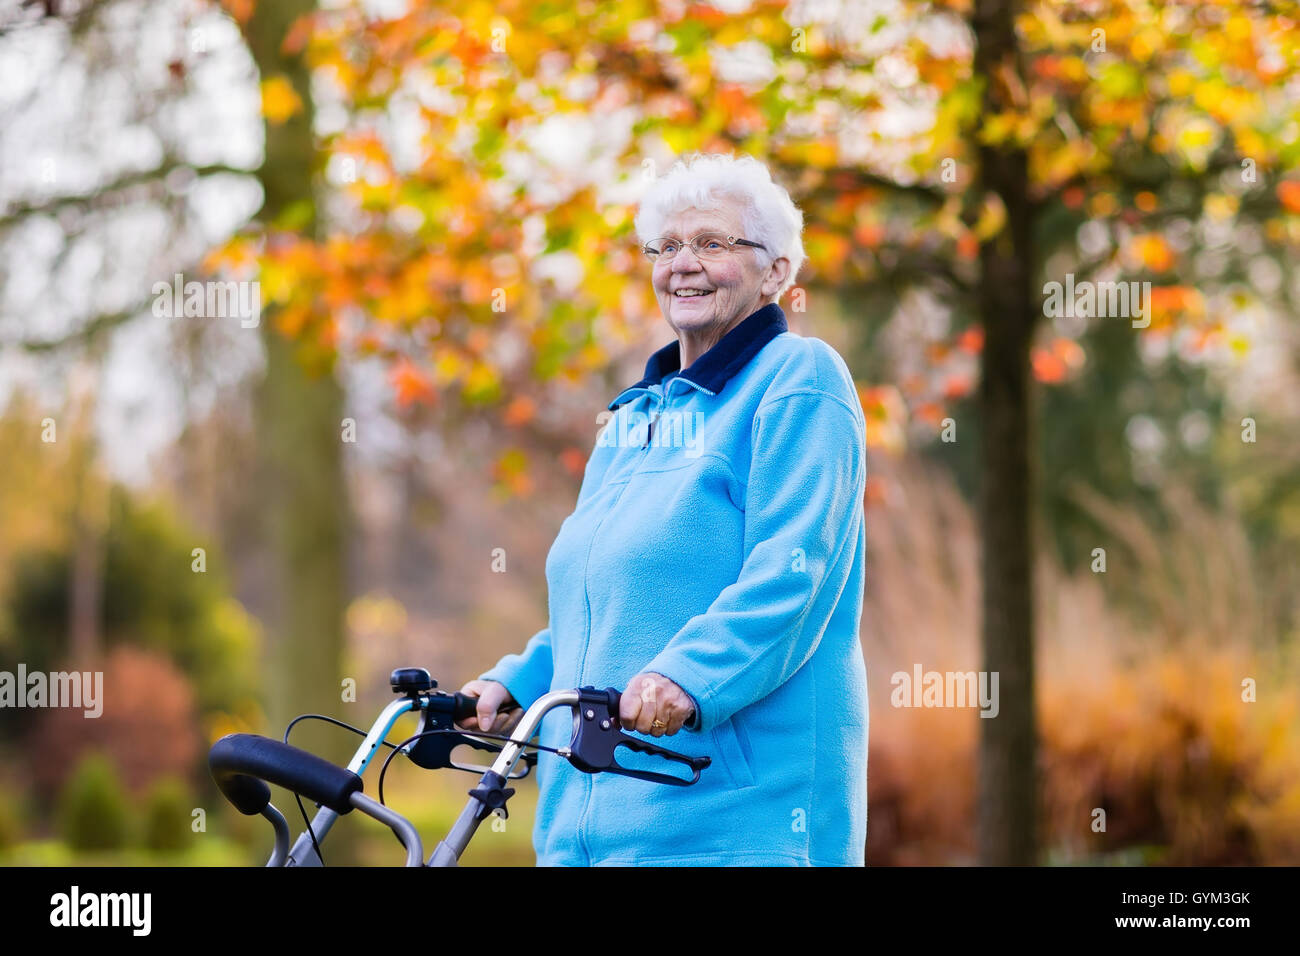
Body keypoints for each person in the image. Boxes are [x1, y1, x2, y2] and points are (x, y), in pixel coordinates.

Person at [458, 152, 869, 865]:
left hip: (735, 827)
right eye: (668, 246)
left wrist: (688, 676)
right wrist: (516, 684)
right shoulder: (633, 422)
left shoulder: (799, 379)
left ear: (776, 272)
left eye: (713, 243)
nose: (684, 263)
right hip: (586, 832)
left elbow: (790, 577)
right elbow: (600, 610)